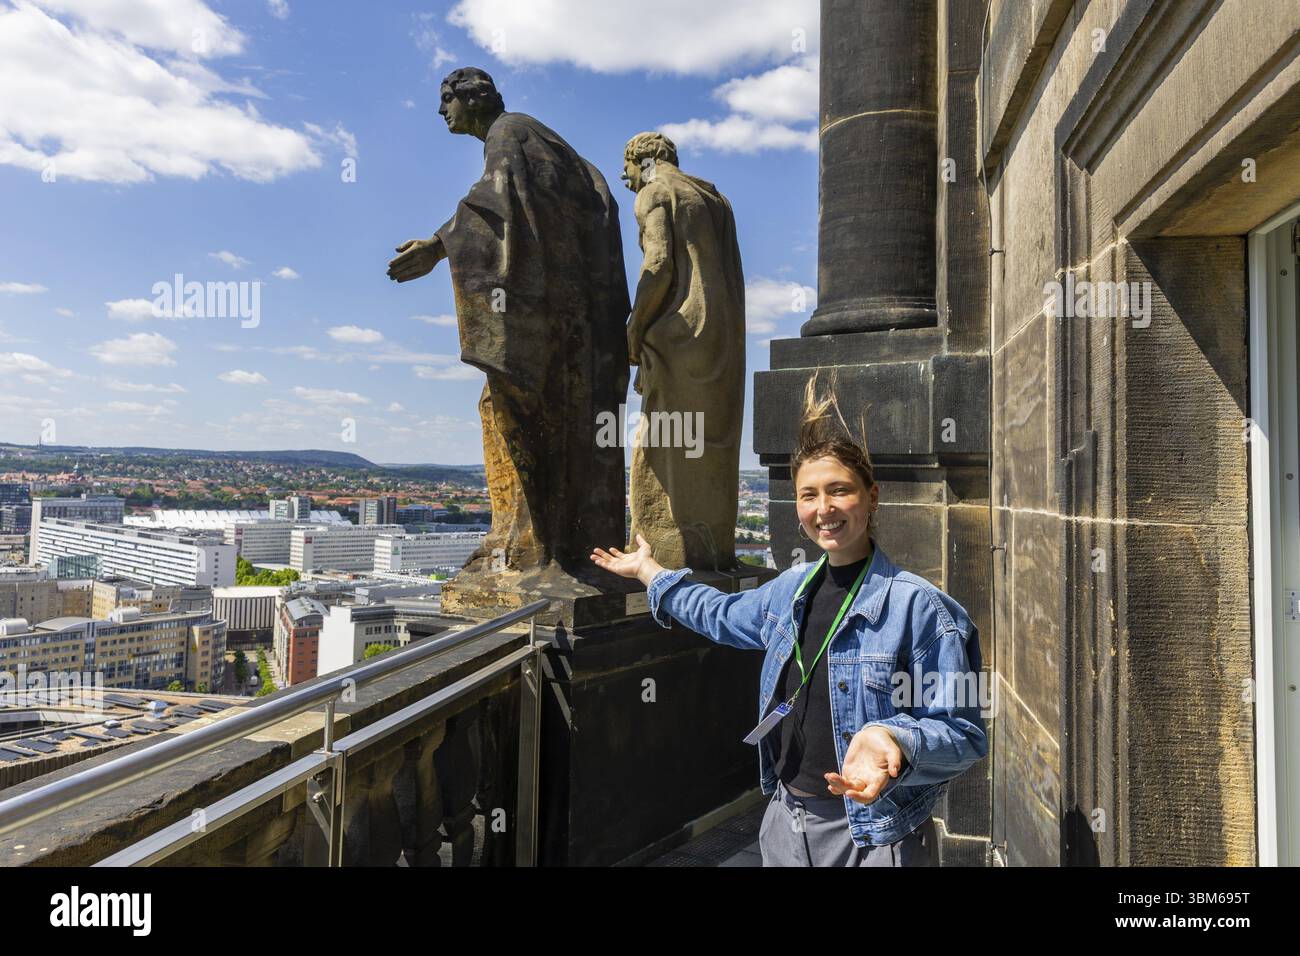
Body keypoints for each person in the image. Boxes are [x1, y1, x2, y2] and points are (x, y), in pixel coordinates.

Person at [590, 372, 988, 866]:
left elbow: (965, 737)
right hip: (784, 819)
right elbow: (718, 614)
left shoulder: (921, 609)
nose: (823, 509)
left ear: (872, 496)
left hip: (873, 835)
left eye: (839, 490)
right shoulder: (790, 589)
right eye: (808, 495)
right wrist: (649, 571)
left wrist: (896, 737)